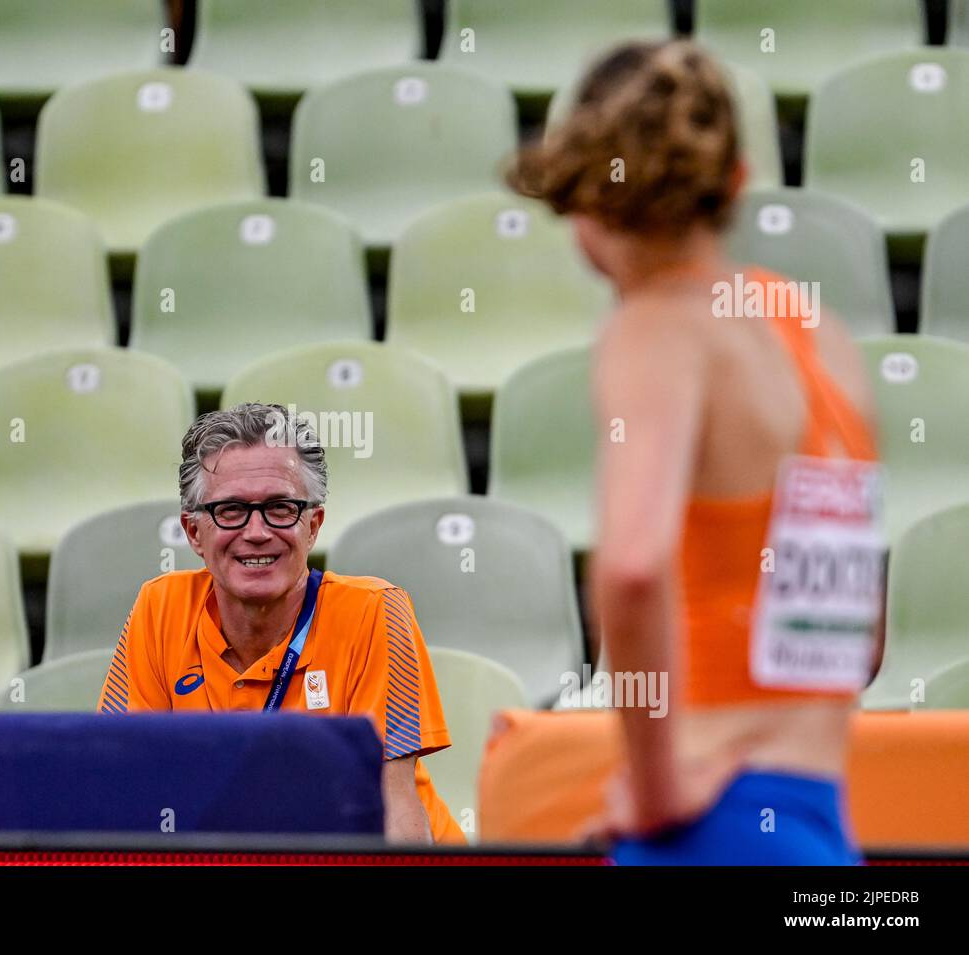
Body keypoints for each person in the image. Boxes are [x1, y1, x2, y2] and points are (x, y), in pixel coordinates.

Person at [511, 40, 884, 864]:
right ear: (734, 183)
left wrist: (655, 789)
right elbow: (864, 627)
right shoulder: (816, 336)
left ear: (586, 198)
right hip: (817, 823)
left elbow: (634, 567)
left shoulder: (655, 327)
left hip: (710, 825)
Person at [98, 402, 465, 844]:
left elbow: (394, 809)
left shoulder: (376, 611)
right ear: (194, 533)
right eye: (231, 510)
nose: (256, 531)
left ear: (313, 526)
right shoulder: (157, 607)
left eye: (280, 507)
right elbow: (123, 788)